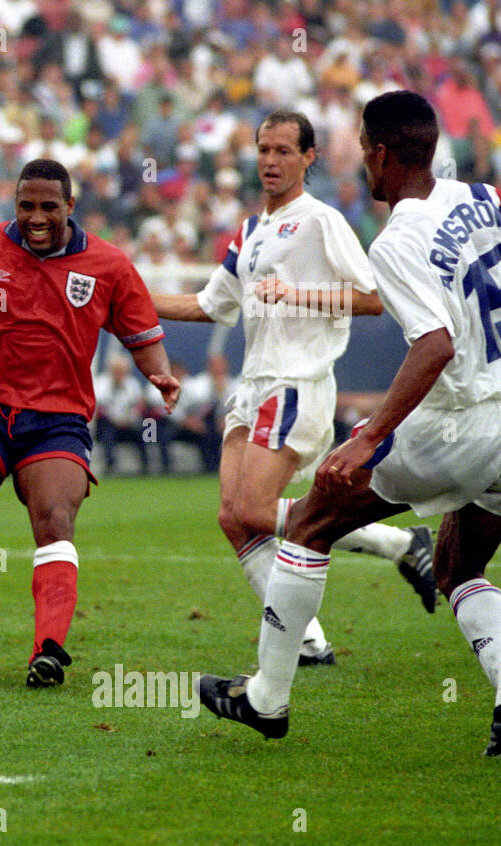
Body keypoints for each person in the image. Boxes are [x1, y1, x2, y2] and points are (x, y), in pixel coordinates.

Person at [199, 91, 501, 754]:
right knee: (458, 565)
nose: (361, 159)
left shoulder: (393, 239)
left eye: (362, 147)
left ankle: (266, 699)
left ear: (381, 152)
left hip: (460, 424)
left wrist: (368, 436)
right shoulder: (485, 199)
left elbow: (434, 344)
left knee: (311, 521)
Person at [149, 110, 437, 670]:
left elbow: (374, 296)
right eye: (263, 150)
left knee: (253, 508)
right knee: (234, 518)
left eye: (284, 150)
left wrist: (302, 295)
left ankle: (399, 546)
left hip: (297, 382)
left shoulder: (319, 220)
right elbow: (210, 306)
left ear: (309, 158)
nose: (271, 161)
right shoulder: (250, 231)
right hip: (253, 387)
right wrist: (124, 304)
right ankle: (310, 640)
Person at [0, 158, 180, 688]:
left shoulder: (108, 265)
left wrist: (162, 378)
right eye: (26, 205)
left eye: (48, 206)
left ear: (69, 206)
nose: (36, 217)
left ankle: (48, 649)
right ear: (14, 204)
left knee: (55, 520)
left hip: (59, 417)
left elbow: (142, 334)